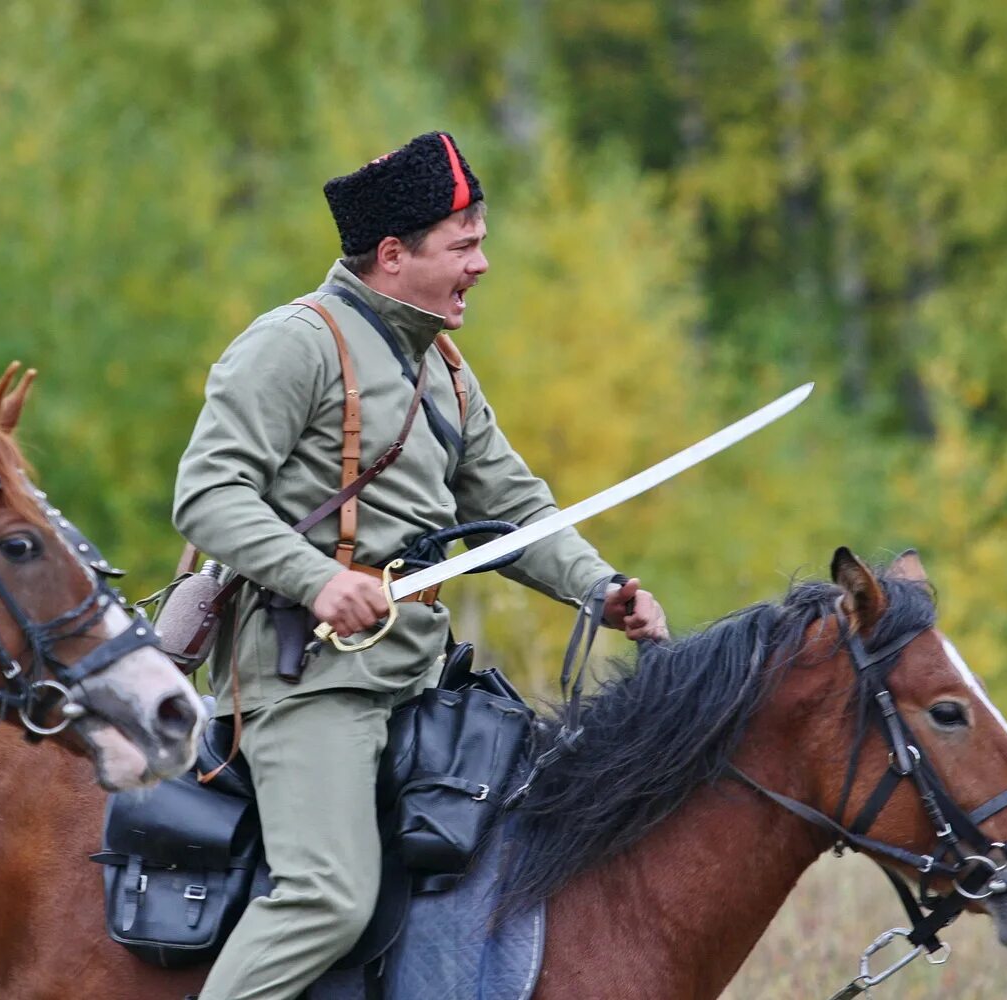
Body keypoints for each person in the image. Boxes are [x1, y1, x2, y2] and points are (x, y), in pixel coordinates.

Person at [173, 130, 667, 1000]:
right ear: (394, 255)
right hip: (310, 681)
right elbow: (208, 495)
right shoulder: (294, 342)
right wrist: (318, 577)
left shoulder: (440, 361)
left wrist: (600, 587)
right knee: (327, 898)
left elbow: (513, 508)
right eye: (464, 245)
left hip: (422, 678)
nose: (483, 264)